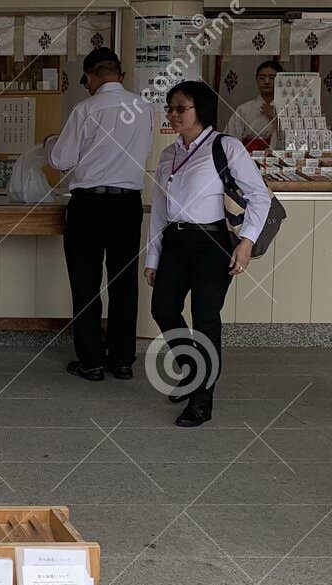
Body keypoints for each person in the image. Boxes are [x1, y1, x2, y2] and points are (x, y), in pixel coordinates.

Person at [145, 79, 270, 427]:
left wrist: (245, 242)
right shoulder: (169, 153)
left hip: (212, 244)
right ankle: (191, 370)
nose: (172, 114)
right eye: (170, 108)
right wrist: (152, 258)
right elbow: (159, 208)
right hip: (175, 241)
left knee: (204, 318)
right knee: (164, 309)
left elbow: (259, 196)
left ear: (200, 110)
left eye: (180, 108)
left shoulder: (225, 147)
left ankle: (202, 400)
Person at [46, 47, 154, 382]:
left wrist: (51, 144)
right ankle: (122, 359)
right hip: (127, 204)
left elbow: (60, 160)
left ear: (92, 75)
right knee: (123, 282)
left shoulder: (85, 109)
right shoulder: (146, 108)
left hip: (89, 205)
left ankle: (91, 360)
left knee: (85, 282)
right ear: (120, 76)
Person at [228, 57, 283, 148]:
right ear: (256, 80)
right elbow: (231, 139)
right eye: (262, 78)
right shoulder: (243, 109)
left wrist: (276, 117)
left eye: (272, 78)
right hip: (248, 158)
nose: (266, 81)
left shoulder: (287, 109)